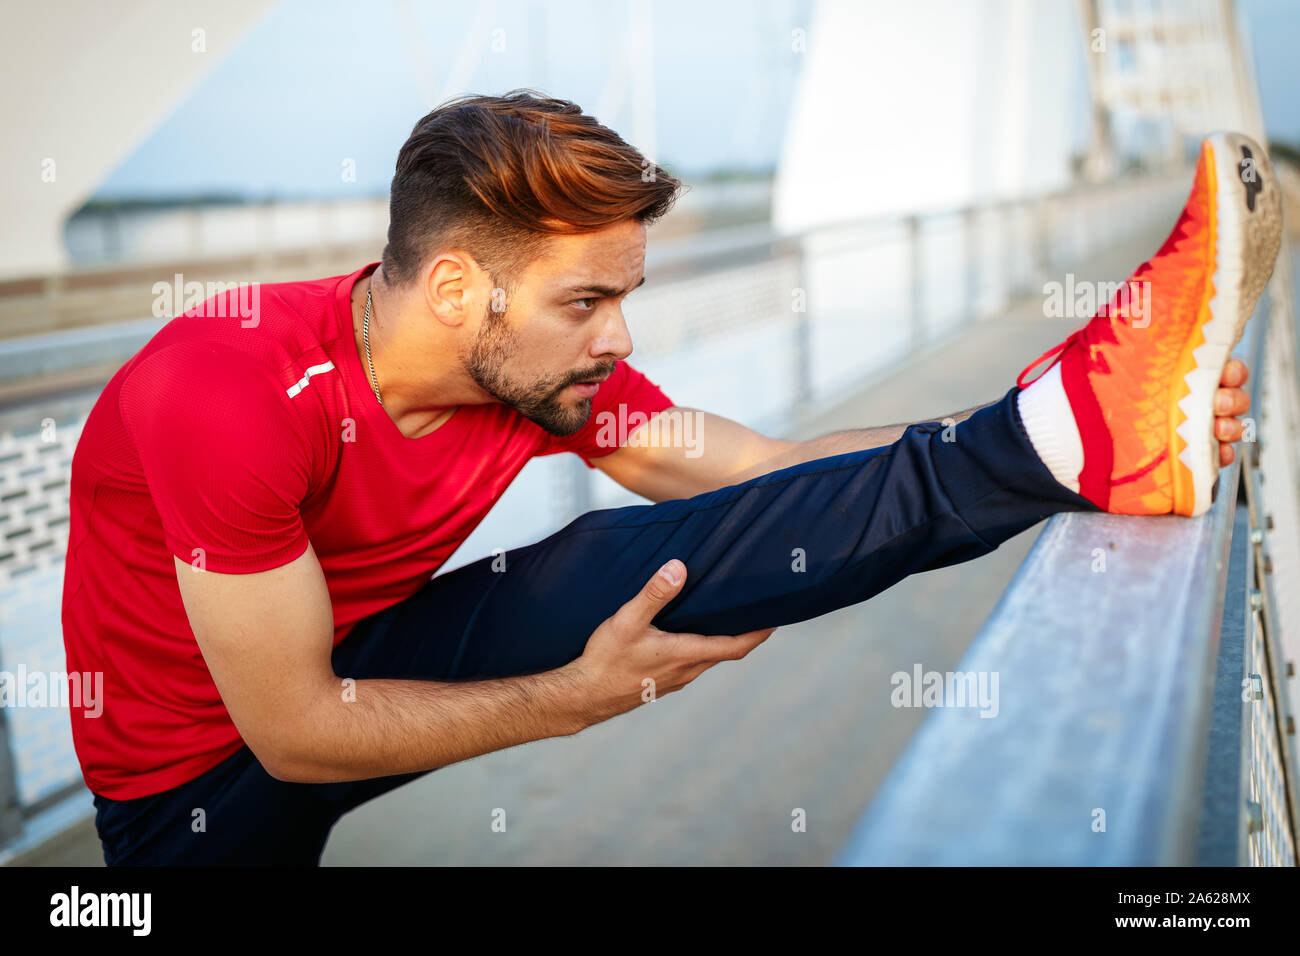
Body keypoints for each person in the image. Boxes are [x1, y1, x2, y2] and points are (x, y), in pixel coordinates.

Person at [62, 90, 1279, 865]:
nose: (620, 340)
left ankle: (1061, 433)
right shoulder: (224, 389)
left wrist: (1042, 404)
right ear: (453, 291)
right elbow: (295, 733)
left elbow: (769, 473)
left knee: (641, 558)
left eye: (625, 297)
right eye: (586, 301)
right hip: (197, 788)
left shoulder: (537, 370)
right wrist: (572, 698)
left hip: (358, 651)